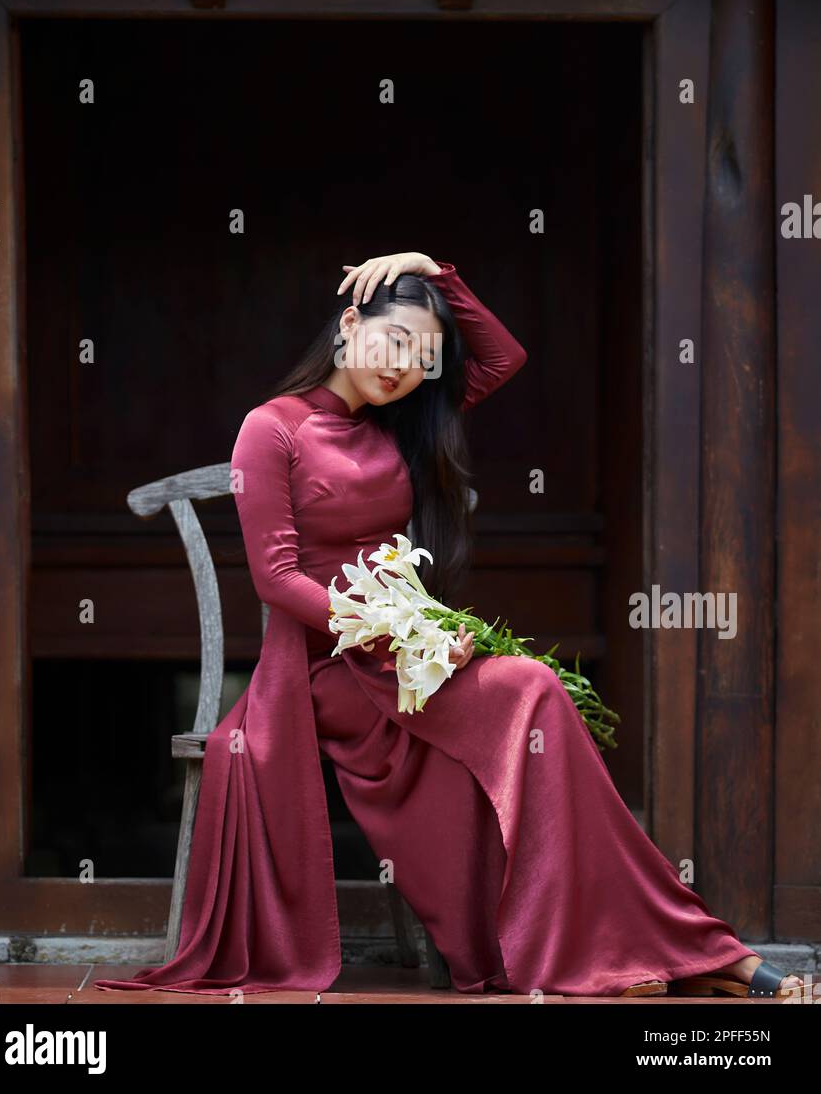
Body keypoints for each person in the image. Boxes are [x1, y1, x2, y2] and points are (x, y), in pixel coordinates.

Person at [95, 251, 808, 1000]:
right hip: (323, 675)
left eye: (423, 359)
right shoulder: (270, 431)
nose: (405, 368)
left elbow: (503, 356)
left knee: (534, 696)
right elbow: (278, 581)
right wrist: (398, 635)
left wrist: (432, 268)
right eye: (394, 342)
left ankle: (653, 947)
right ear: (349, 325)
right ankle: (659, 950)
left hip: (407, 657)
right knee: (530, 695)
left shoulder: (402, 426)